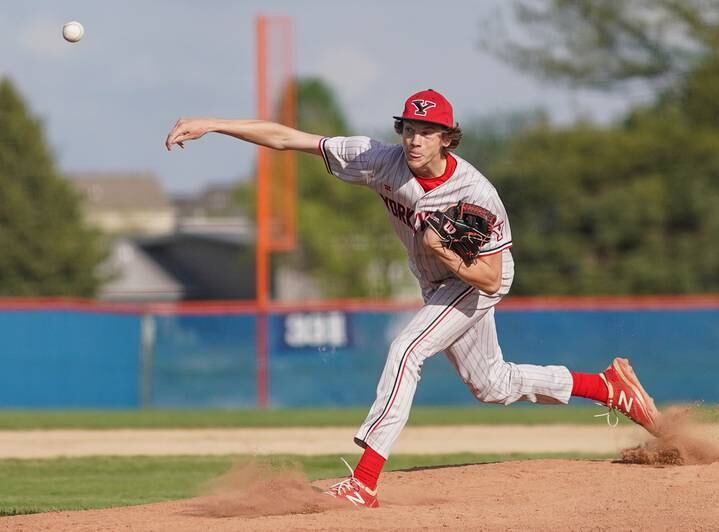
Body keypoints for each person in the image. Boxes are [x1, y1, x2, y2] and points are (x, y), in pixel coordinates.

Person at [165, 88, 661, 508]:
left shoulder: (476, 194)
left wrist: (444, 250)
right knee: (492, 384)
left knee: (408, 348)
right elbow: (289, 138)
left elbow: (490, 279)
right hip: (438, 281)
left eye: (426, 131)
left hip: (473, 280)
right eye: (408, 128)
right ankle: (607, 386)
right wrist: (213, 123)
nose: (414, 138)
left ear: (448, 137)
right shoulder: (381, 160)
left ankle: (364, 481)